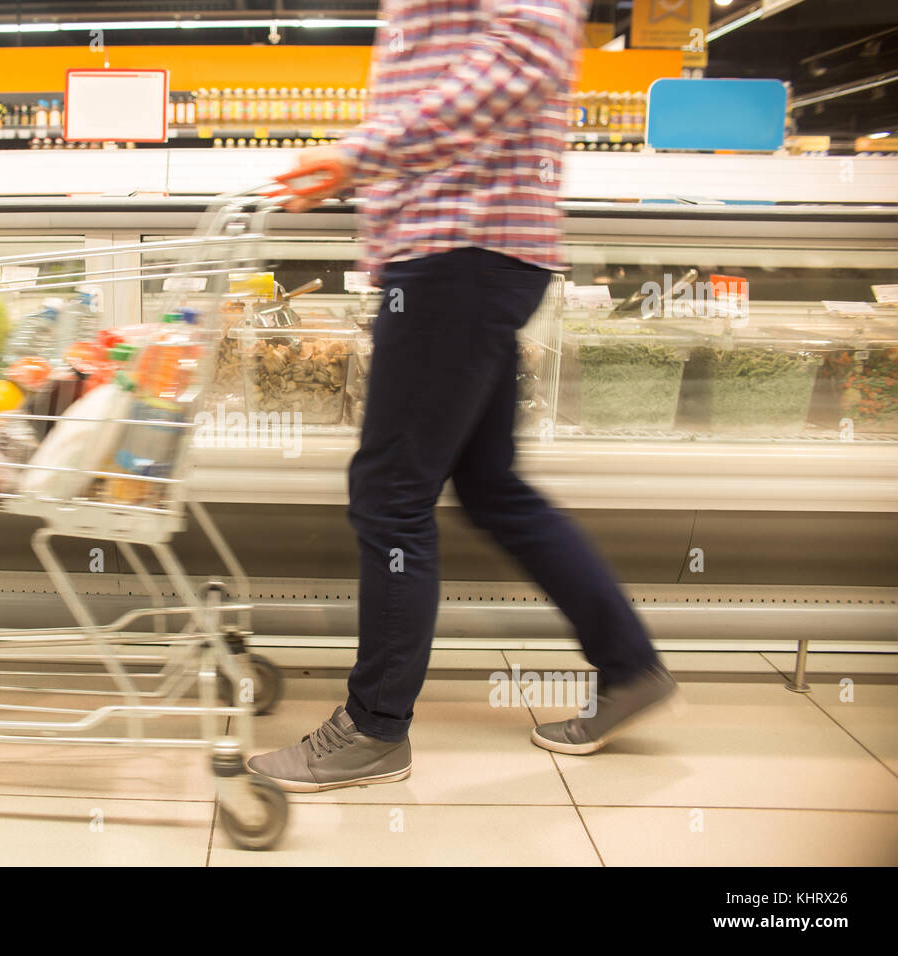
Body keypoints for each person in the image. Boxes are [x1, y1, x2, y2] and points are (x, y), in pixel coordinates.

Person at [247, 0, 680, 793]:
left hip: (461, 248)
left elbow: (523, 56)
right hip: (463, 248)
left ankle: (375, 727)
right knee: (491, 488)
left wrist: (361, 152)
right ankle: (629, 665)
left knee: (390, 493)